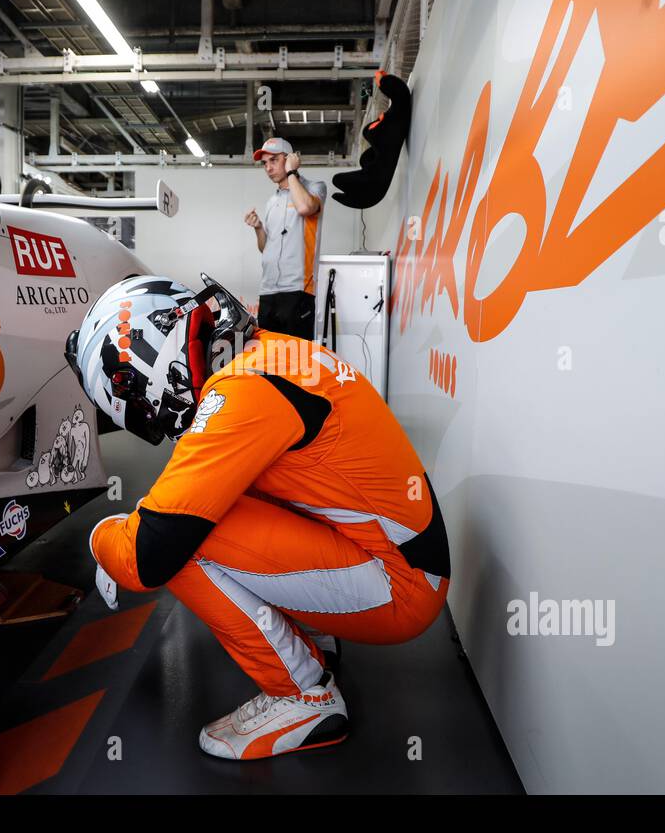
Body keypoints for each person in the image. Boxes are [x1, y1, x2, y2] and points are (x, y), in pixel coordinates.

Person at [65, 273, 450, 760]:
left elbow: (148, 556)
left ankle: (305, 696)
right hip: (405, 561)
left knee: (178, 540)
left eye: (139, 401)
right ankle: (314, 633)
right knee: (205, 503)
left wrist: (103, 537)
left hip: (401, 589)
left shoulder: (241, 392)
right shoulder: (265, 352)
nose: (155, 417)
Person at [244, 137, 326, 340]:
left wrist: (291, 172)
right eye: (265, 163)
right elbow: (266, 248)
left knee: (296, 365)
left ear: (290, 159)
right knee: (270, 364)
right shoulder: (272, 202)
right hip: (268, 291)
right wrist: (258, 228)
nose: (268, 168)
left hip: (298, 290)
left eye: (274, 160)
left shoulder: (315, 188)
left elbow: (305, 207)